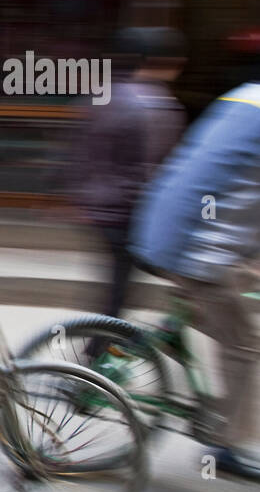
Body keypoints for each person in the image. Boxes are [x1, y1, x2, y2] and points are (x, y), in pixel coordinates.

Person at [129, 81, 260, 480]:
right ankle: (228, 443)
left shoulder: (246, 95)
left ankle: (169, 334)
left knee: (231, 301)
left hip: (163, 225)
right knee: (248, 342)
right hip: (199, 247)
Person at [74, 27, 187, 317]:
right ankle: (102, 345)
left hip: (99, 207)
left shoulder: (103, 96)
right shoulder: (157, 104)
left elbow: (82, 151)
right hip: (129, 210)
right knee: (122, 290)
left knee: (117, 287)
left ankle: (103, 341)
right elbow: (156, 167)